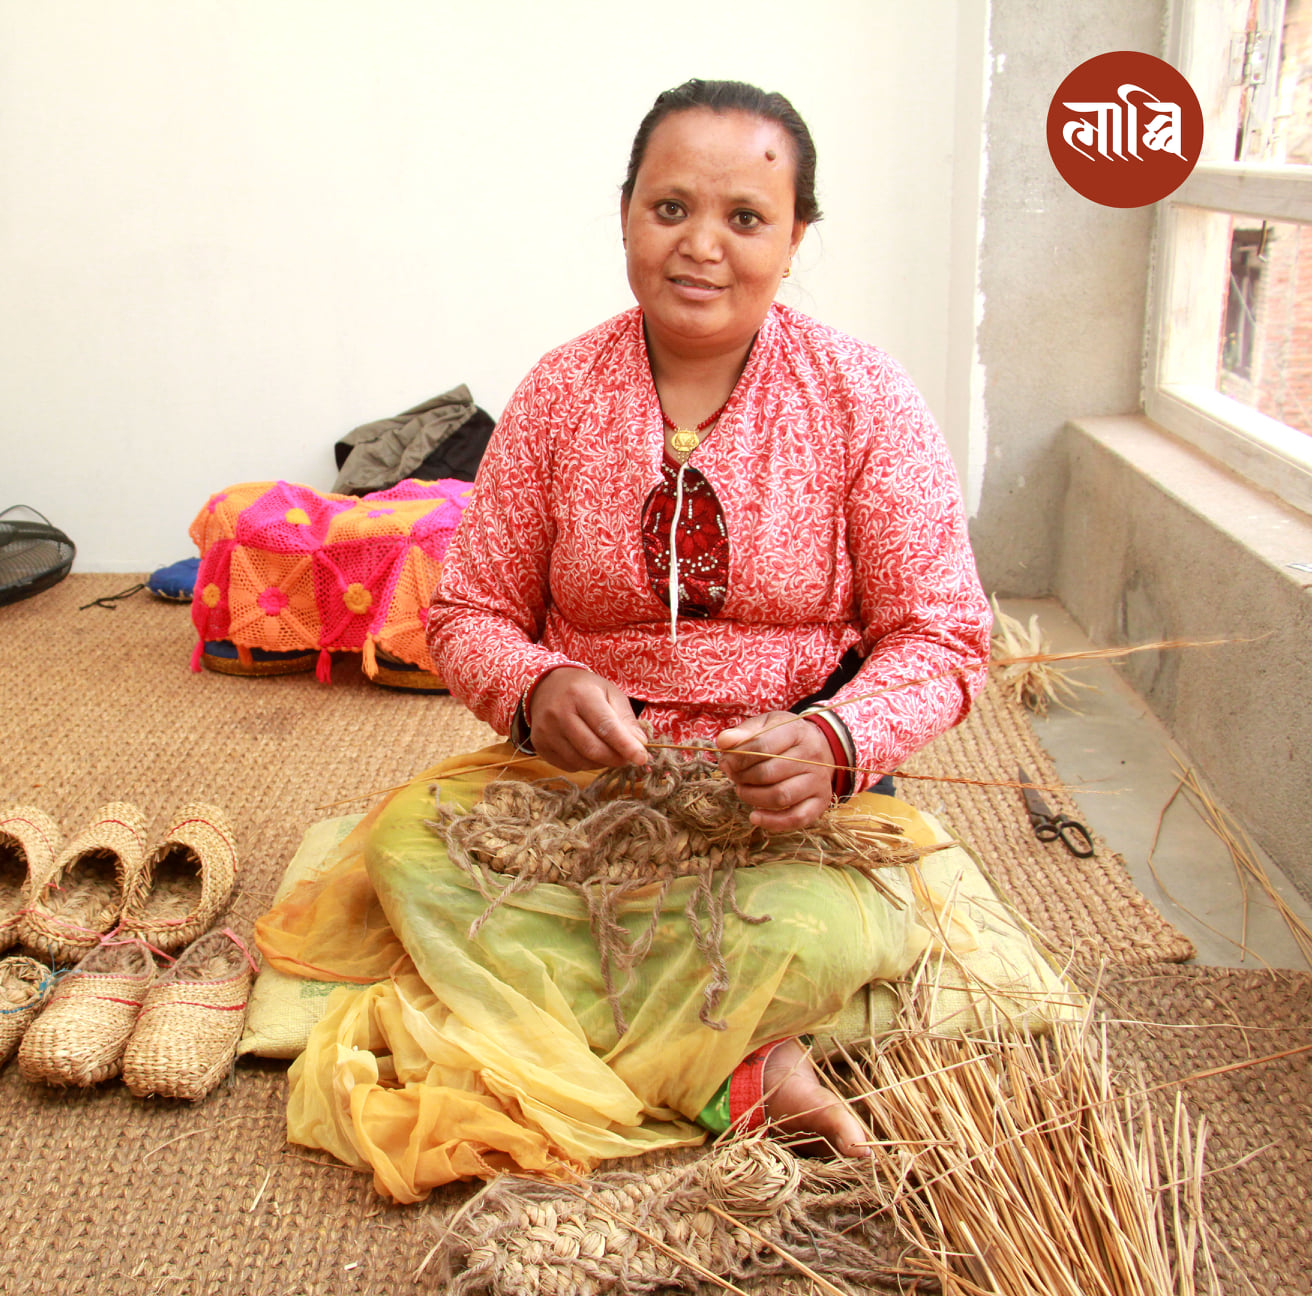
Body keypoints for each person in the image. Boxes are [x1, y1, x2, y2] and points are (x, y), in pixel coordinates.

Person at [266, 79, 992, 1196]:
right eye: (670, 210)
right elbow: (468, 614)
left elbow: (942, 633)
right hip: (587, 788)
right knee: (409, 847)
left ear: (797, 237)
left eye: (746, 218)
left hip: (778, 798)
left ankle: (653, 1026)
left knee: (830, 934)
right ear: (624, 215)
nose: (702, 247)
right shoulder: (558, 395)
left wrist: (839, 743)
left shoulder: (864, 398)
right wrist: (535, 684)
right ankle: (736, 1066)